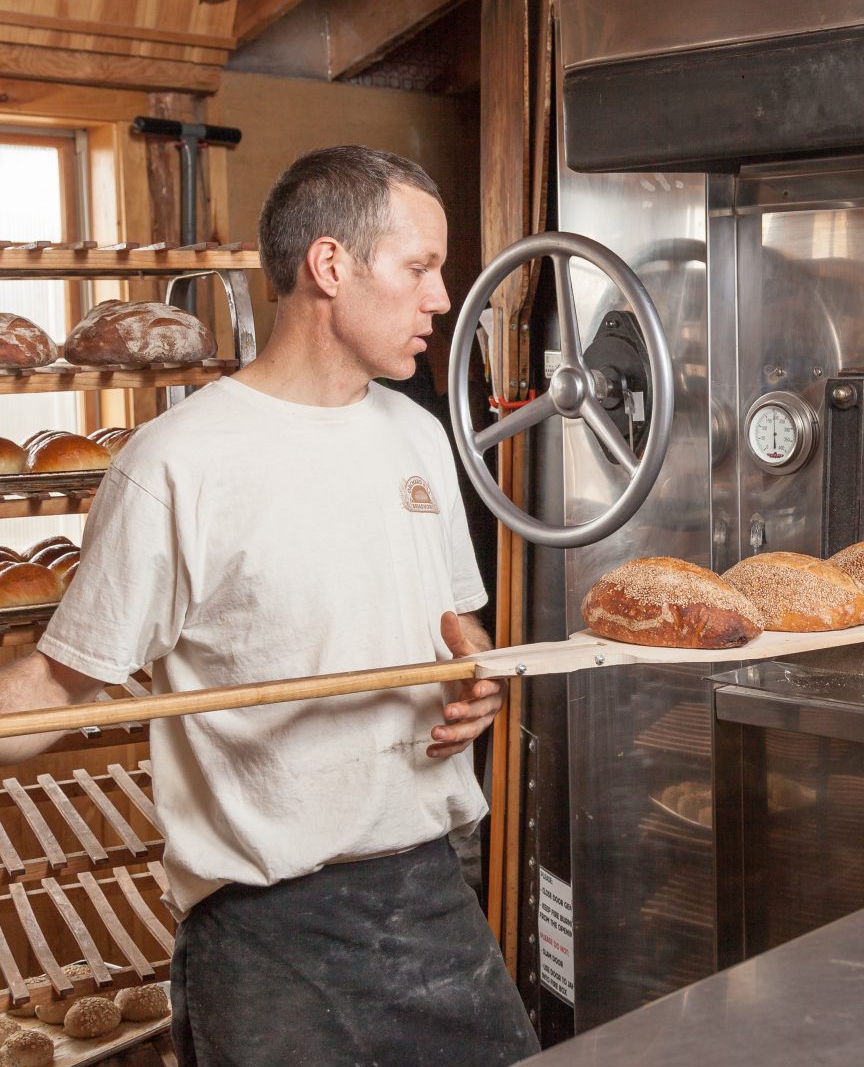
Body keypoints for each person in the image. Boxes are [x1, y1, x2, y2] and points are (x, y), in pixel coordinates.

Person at [0, 145, 541, 1067]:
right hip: (265, 929)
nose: (442, 298)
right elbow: (59, 683)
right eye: (419, 268)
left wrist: (472, 677)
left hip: (432, 898)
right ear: (332, 266)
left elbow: (458, 627)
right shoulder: (177, 464)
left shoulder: (418, 438)